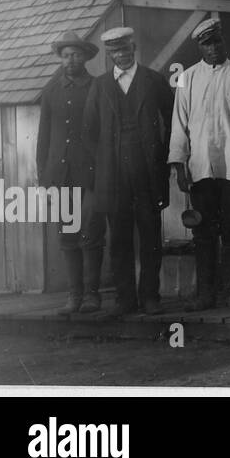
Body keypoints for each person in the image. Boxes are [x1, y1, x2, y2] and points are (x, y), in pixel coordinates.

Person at [84, 27, 174, 317]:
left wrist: (162, 156)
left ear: (133, 48)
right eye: (114, 52)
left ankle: (150, 297)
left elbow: (172, 121)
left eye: (125, 50)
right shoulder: (99, 86)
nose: (120, 56)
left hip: (147, 171)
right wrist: (104, 164)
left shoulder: (153, 80)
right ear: (109, 55)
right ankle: (125, 298)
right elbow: (89, 132)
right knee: (119, 238)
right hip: (113, 175)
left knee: (150, 235)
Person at [167, 19, 230, 311]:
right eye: (207, 43)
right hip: (200, 167)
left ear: (223, 41)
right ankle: (205, 293)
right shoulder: (187, 78)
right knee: (203, 232)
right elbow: (179, 125)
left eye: (217, 41)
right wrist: (180, 166)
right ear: (200, 46)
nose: (214, 47)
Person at [36, 31, 106, 315]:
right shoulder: (52, 91)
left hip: (90, 175)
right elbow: (43, 139)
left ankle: (92, 294)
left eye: (76, 55)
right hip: (60, 176)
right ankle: (74, 295)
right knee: (67, 235)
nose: (71, 60)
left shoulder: (97, 87)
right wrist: (45, 179)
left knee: (91, 232)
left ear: (85, 57)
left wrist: (103, 173)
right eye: (66, 55)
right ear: (61, 59)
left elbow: (103, 133)